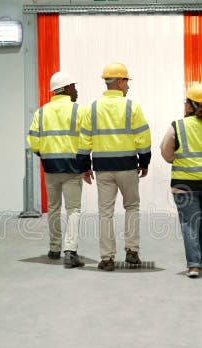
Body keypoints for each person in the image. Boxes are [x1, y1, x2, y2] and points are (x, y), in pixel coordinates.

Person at [77, 62, 152, 271]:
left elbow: (84, 140)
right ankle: (132, 252)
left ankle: (107, 258)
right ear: (119, 82)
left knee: (105, 213)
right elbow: (143, 137)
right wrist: (144, 162)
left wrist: (85, 166)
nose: (128, 85)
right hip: (128, 167)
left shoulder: (92, 108)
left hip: (103, 170)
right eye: (126, 81)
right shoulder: (132, 107)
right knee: (132, 207)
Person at [160, 82, 202, 278]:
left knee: (189, 223)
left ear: (191, 106)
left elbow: (165, 152)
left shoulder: (177, 126)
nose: (184, 105)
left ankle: (193, 265)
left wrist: (176, 159)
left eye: (186, 102)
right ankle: (201, 257)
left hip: (185, 184)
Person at [27, 71, 86, 268]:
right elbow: (86, 140)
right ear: (66, 88)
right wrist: (85, 164)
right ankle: (70, 252)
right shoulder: (79, 110)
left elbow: (33, 141)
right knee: (73, 209)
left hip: (51, 168)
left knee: (53, 208)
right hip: (72, 168)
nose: (76, 91)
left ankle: (54, 249)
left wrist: (46, 155)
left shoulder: (41, 112)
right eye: (74, 87)